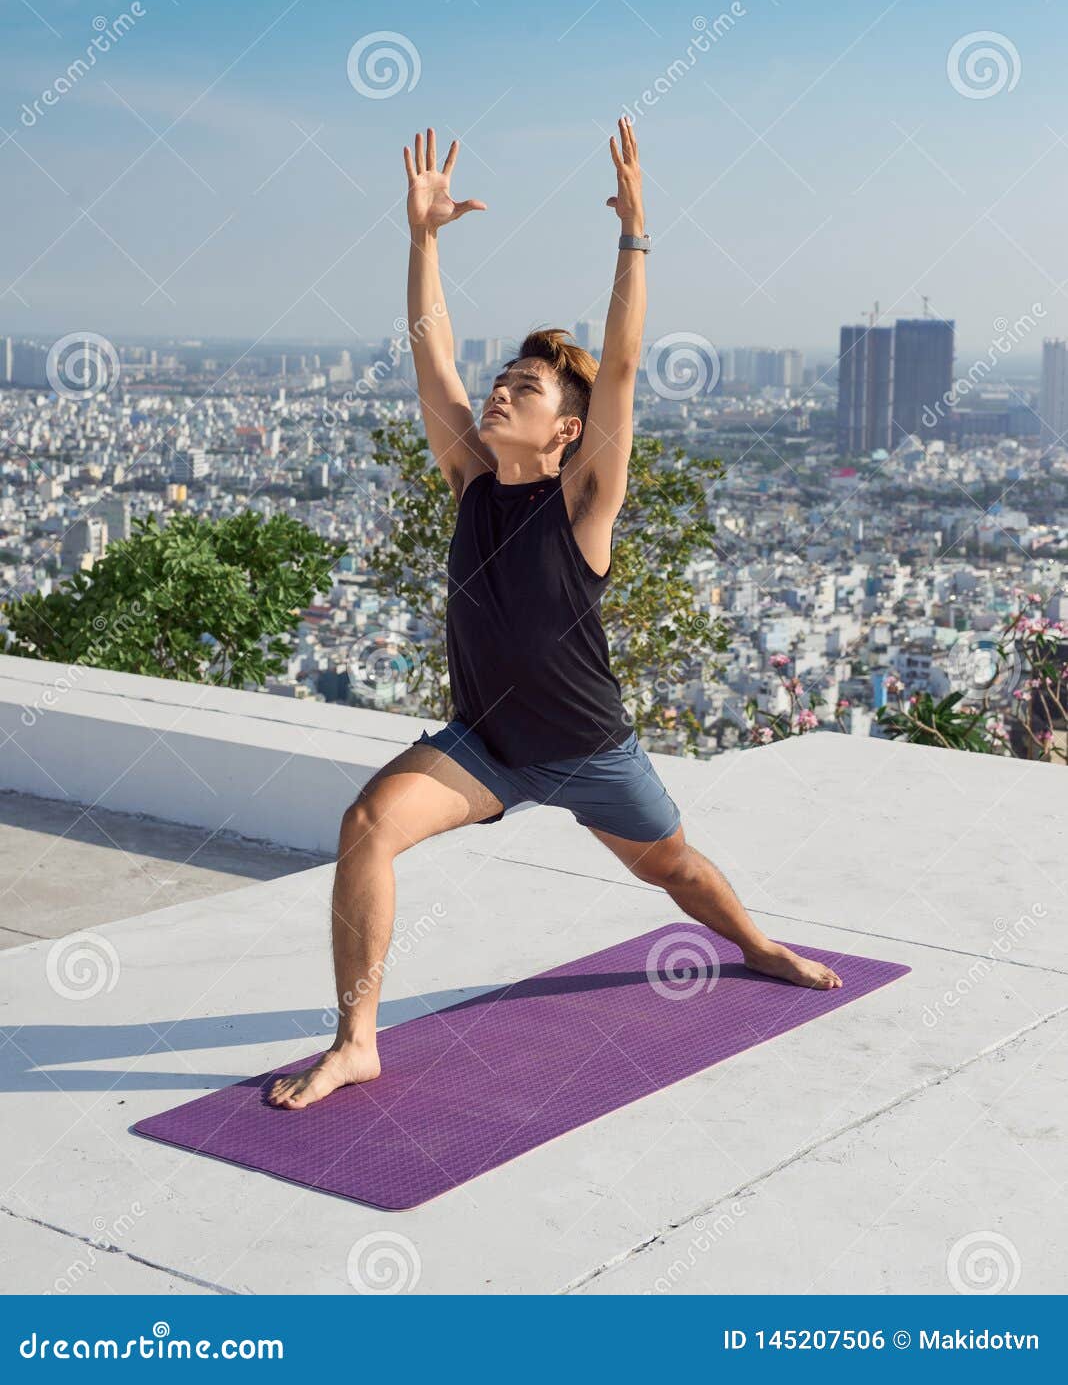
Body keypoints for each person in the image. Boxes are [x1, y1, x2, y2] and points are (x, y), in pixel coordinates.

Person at [269, 120, 841, 1110]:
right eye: (500, 382)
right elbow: (431, 350)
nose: (496, 392)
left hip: (588, 748)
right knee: (368, 822)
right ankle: (355, 1039)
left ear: (564, 429)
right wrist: (423, 239)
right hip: (486, 746)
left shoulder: (582, 503)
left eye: (521, 388)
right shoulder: (468, 480)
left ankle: (757, 943)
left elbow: (618, 369)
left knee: (677, 871)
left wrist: (634, 236)